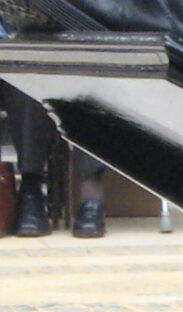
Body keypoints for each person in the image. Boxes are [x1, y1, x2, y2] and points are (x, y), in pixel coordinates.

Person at [2, 3, 105, 238]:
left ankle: (91, 194)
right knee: (26, 70)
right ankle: (31, 190)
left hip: (85, 38)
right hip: (17, 43)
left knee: (91, 71)